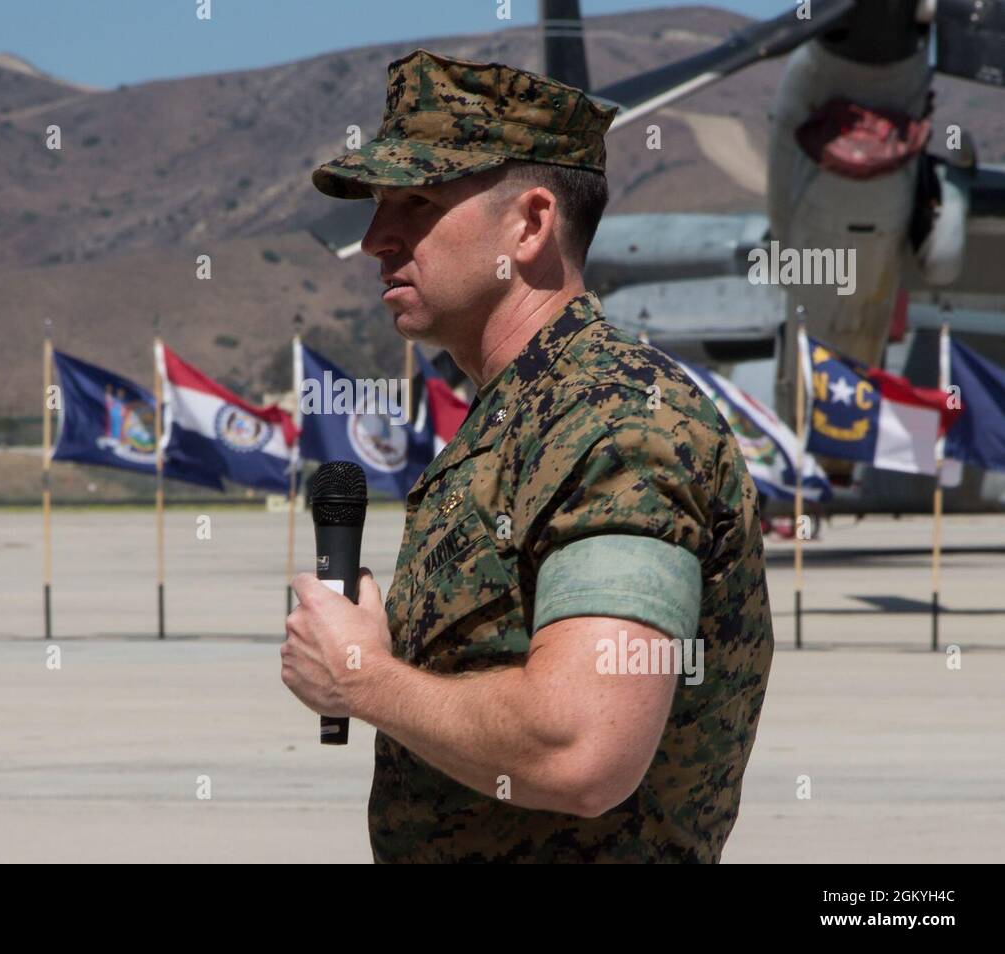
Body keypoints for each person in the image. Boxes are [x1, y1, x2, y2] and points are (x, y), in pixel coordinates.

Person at [280, 48, 773, 863]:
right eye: (376, 204)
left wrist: (363, 675)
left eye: (417, 201)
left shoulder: (616, 421)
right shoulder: (522, 417)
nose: (375, 239)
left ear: (532, 223)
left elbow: (583, 748)